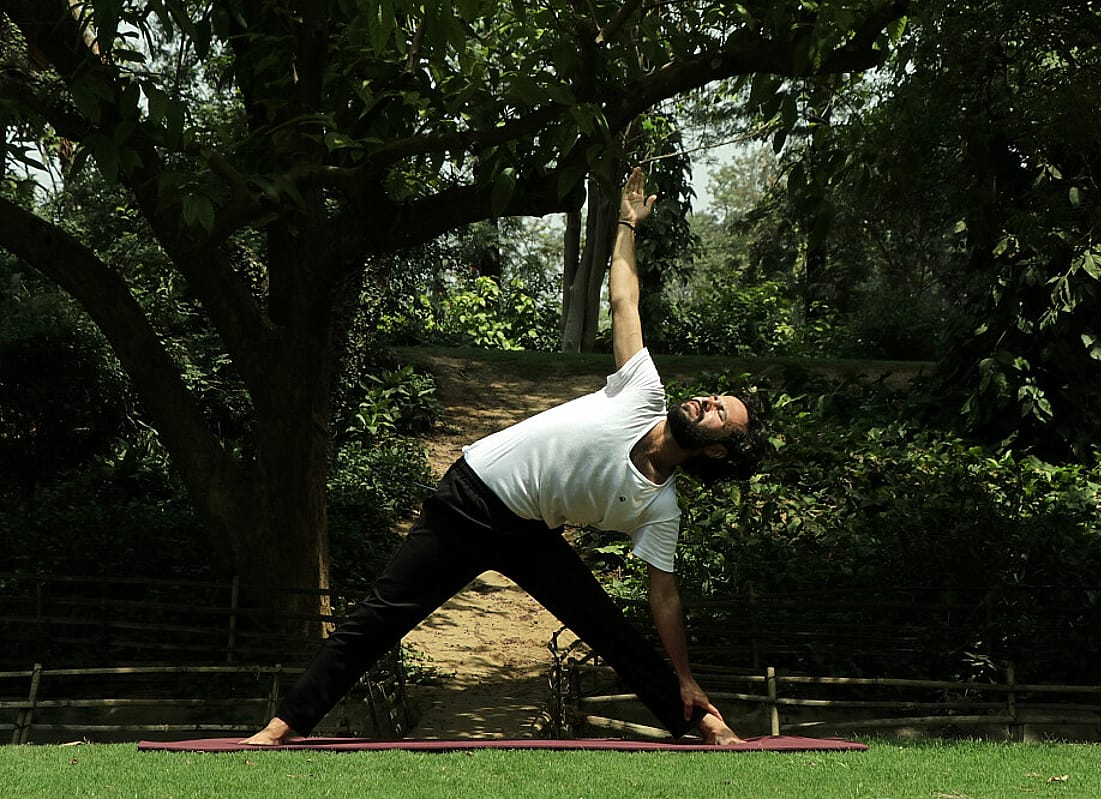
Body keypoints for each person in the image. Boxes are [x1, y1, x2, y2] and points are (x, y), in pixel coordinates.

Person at [243, 167, 767, 746]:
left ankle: (702, 721)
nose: (705, 401)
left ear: (717, 449)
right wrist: (625, 223)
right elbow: (624, 297)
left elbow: (662, 596)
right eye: (715, 397)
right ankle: (281, 725)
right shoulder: (642, 390)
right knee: (381, 616)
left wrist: (687, 676)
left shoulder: (659, 508)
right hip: (469, 497)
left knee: (608, 627)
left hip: (529, 531)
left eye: (719, 411)